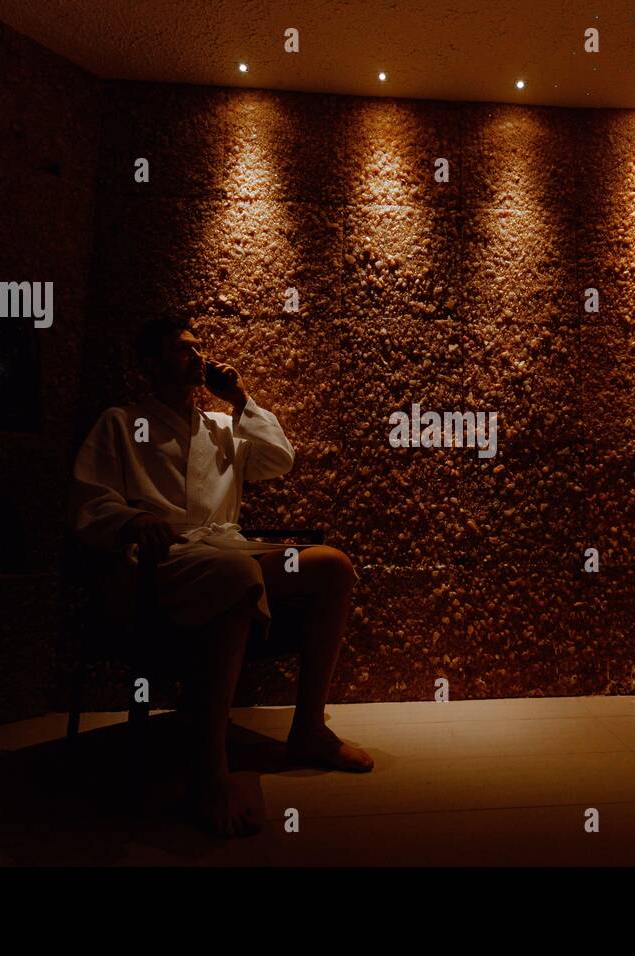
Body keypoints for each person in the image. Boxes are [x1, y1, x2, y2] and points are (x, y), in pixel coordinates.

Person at [69, 318, 373, 838]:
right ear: (151, 364)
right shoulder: (121, 423)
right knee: (234, 574)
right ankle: (211, 770)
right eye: (184, 349)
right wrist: (132, 519)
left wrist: (241, 400)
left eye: (198, 348)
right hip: (165, 560)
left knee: (332, 567)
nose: (198, 356)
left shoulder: (221, 426)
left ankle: (308, 729)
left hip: (228, 545)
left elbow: (279, 461)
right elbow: (89, 502)